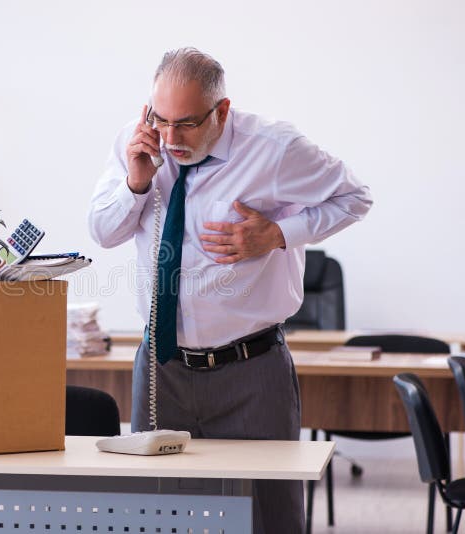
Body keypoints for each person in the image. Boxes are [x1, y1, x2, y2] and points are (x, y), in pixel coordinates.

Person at [88, 47, 372, 533]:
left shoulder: (274, 148)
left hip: (251, 371)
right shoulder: (137, 144)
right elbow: (103, 232)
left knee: (269, 517)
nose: (171, 138)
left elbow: (354, 198)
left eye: (187, 124)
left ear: (221, 111)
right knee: (157, 515)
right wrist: (135, 184)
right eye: (161, 119)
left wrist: (279, 234)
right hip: (162, 368)